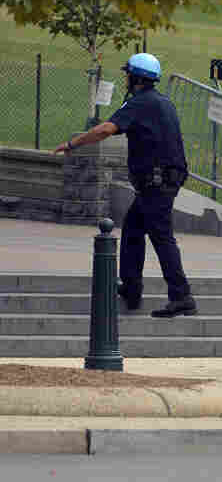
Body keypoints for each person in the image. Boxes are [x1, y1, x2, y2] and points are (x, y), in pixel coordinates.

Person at [54, 53, 197, 319]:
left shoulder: (139, 103)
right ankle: (132, 288)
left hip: (156, 183)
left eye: (128, 74)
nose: (125, 79)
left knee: (162, 237)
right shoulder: (163, 102)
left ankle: (182, 296)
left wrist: (73, 144)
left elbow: (106, 129)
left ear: (136, 78)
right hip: (161, 181)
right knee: (132, 230)